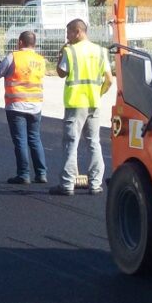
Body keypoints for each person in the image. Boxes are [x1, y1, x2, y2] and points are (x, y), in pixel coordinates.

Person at [50, 19, 112, 196]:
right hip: (93, 103)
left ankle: (67, 184)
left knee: (71, 142)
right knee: (94, 142)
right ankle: (95, 184)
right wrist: (98, 94)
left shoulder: (70, 52)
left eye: (69, 32)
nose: (67, 36)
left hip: (76, 103)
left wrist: (61, 55)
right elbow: (109, 79)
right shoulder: (100, 51)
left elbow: (61, 73)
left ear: (78, 32)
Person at [0, 31, 49, 185]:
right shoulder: (40, 60)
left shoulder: (13, 56)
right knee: (35, 139)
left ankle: (23, 174)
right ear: (34, 43)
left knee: (20, 140)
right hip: (36, 105)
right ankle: (41, 173)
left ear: (20, 42)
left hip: (16, 104)